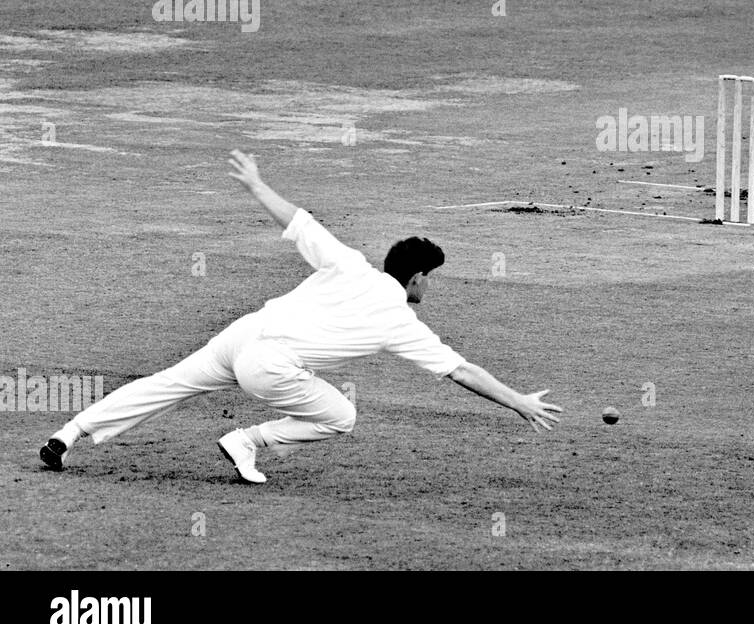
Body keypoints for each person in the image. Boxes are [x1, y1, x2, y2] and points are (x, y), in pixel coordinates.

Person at [38, 150, 562, 484]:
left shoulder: (349, 263)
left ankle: (68, 435)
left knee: (166, 384)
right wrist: (518, 402)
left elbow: (299, 222)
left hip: (243, 333)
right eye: (431, 278)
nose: (431, 287)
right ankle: (247, 441)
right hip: (268, 363)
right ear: (417, 277)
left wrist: (255, 184)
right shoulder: (400, 322)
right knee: (342, 418)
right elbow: (462, 372)